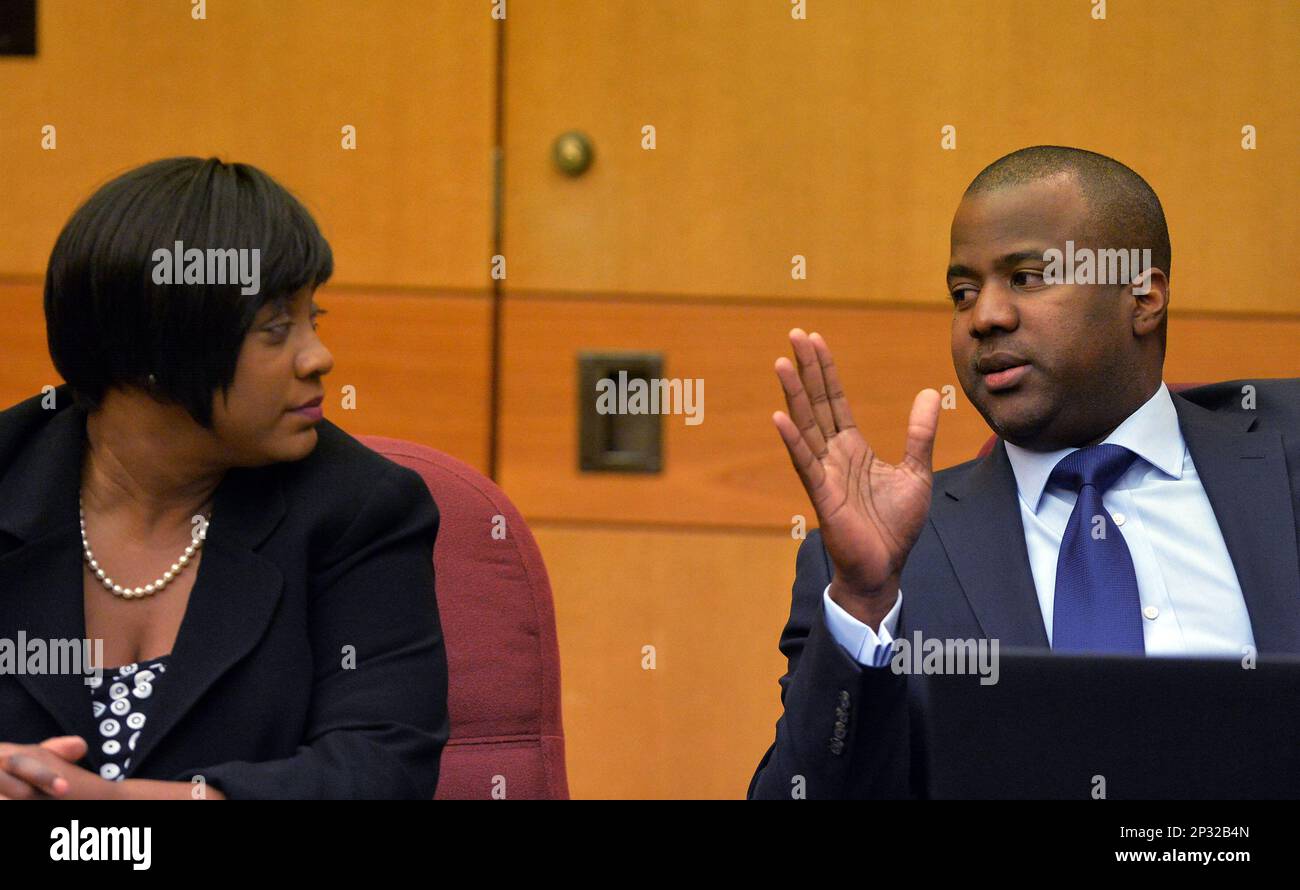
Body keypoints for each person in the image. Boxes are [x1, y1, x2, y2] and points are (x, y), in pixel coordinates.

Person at [750, 145, 1300, 799]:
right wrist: (865, 605)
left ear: (1143, 296)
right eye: (963, 292)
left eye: (1029, 277)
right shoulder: (884, 567)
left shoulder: (1282, 457)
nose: (985, 317)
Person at [0, 157, 449, 799]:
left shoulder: (362, 509)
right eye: (275, 330)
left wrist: (124, 808)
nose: (319, 357)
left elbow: (383, 770)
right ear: (154, 354)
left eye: (311, 319)